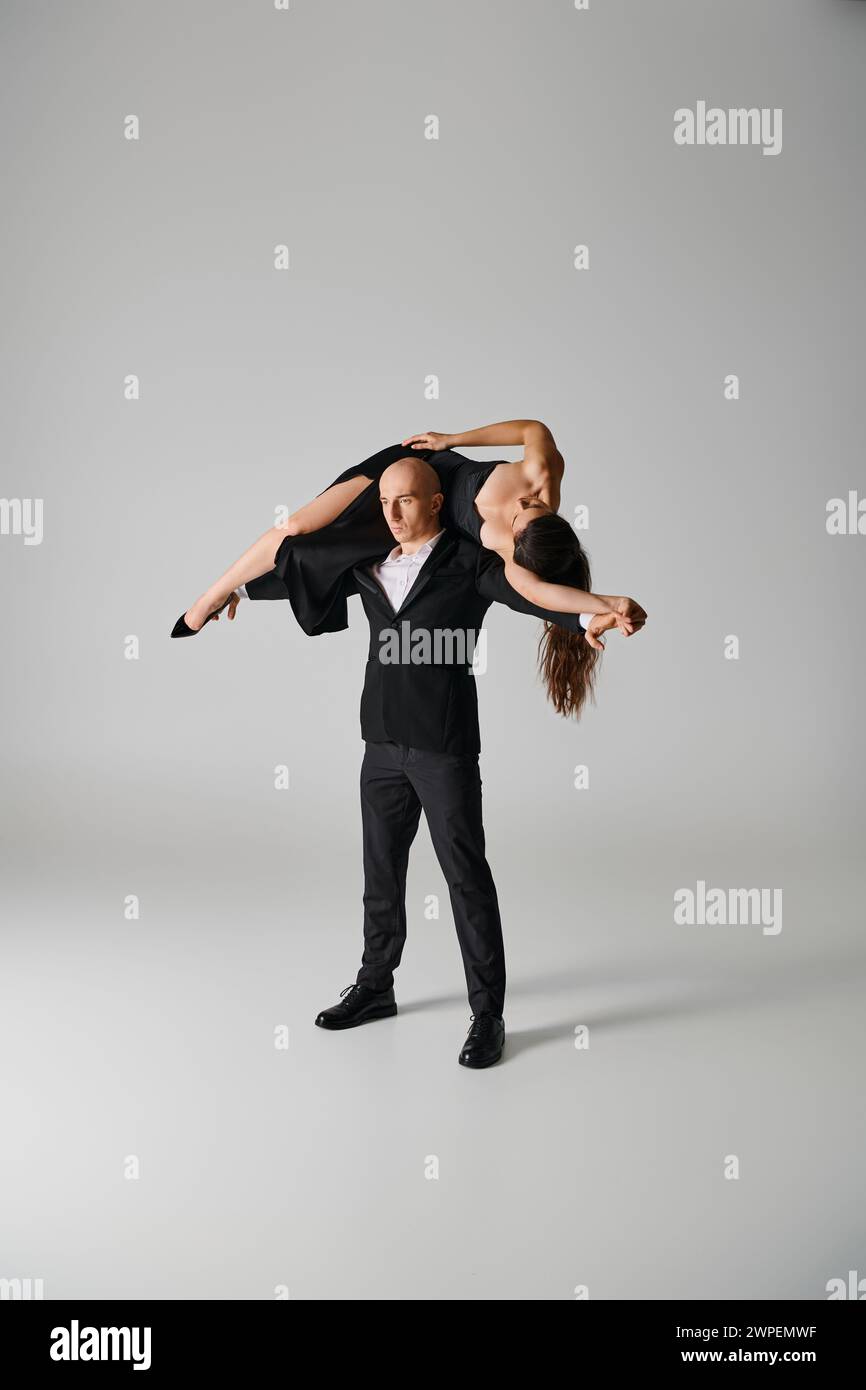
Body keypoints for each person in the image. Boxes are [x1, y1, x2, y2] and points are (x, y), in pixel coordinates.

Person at [238, 456, 640, 1067]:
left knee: (466, 878)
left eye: (405, 501)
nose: (392, 513)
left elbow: (529, 594)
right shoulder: (370, 562)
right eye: (385, 503)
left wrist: (588, 612)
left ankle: (488, 1015)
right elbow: (303, 569)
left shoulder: (468, 563)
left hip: (443, 750)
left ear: (433, 503)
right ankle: (375, 986)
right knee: (381, 871)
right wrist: (237, 590)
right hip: (380, 747)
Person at [171, 420, 647, 719]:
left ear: (516, 543)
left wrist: (604, 603)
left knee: (334, 562)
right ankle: (212, 595)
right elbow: (532, 429)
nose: (522, 503)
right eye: (532, 507)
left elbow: (537, 593)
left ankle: (245, 594)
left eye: (519, 516)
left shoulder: (506, 550)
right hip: (417, 474)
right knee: (298, 525)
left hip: (426, 517)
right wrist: (452, 438)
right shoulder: (541, 476)